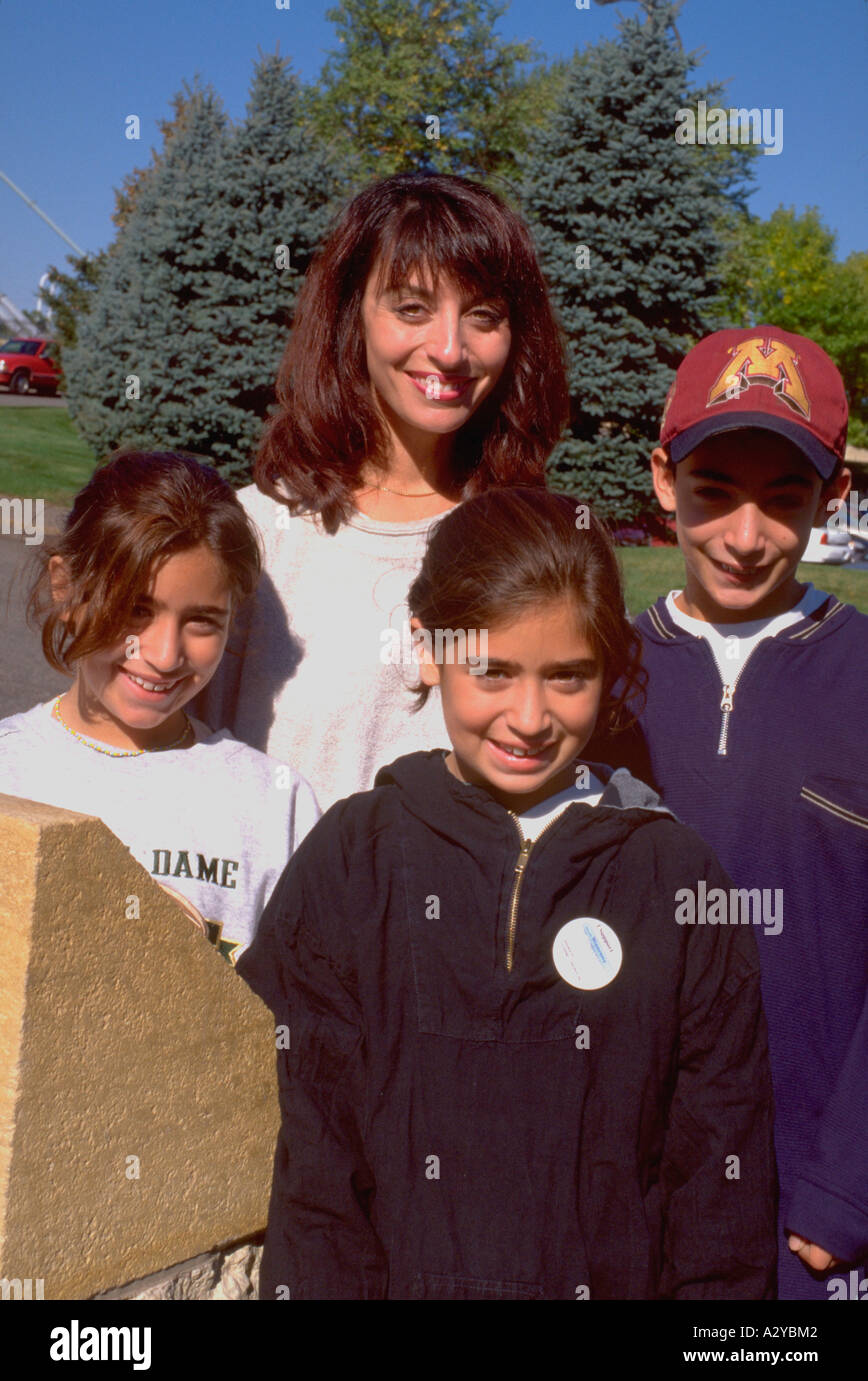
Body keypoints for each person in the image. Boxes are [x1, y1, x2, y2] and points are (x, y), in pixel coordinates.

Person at [238, 487, 777, 1300]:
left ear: (611, 668)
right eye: (491, 671)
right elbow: (312, 1170)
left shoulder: (677, 883)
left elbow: (719, 1192)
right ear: (427, 648)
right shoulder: (353, 859)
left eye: (569, 677)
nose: (529, 717)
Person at [588, 325, 868, 1301]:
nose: (744, 535)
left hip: (810, 1215)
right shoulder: (596, 683)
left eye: (783, 497)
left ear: (831, 500)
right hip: (626, 1187)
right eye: (712, 492)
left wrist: (846, 1189)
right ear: (661, 480)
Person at [194, 172, 570, 811]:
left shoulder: (543, 548)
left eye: (483, 315)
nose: (450, 350)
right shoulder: (251, 537)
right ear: (352, 317)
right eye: (412, 308)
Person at [0, 450, 319, 965]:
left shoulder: (275, 807)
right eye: (134, 609)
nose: (164, 654)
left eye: (202, 621)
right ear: (65, 587)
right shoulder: (8, 771)